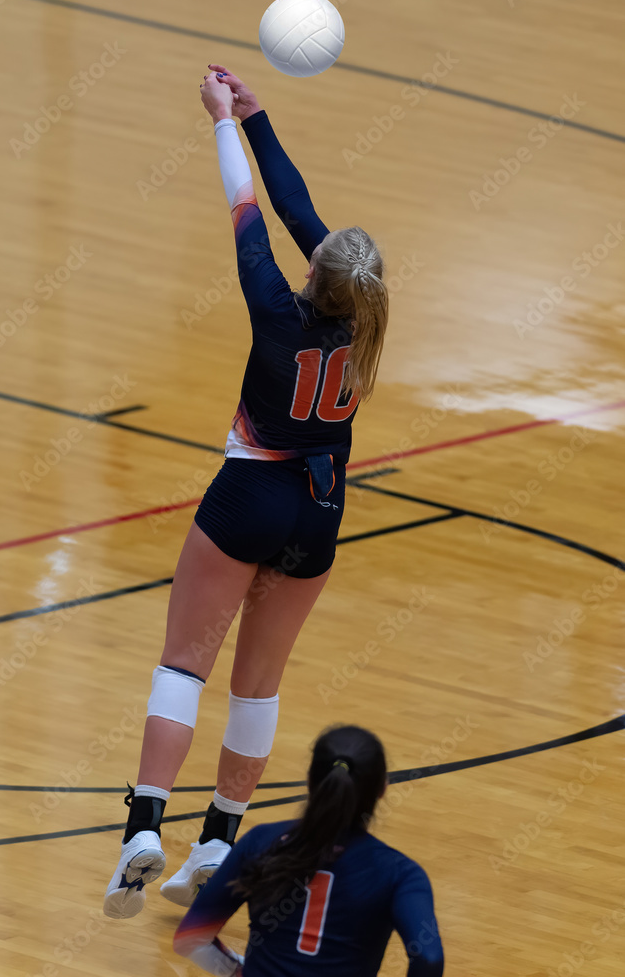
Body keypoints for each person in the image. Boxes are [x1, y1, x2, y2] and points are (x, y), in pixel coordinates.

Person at [103, 65, 389, 920]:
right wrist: (256, 120)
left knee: (182, 665)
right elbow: (298, 214)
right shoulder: (365, 319)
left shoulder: (273, 305)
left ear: (313, 272)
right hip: (320, 510)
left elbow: (251, 208)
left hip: (249, 497)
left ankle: (144, 828)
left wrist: (223, 122)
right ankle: (220, 839)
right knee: (256, 686)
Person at [174, 725, 444, 976]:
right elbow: (429, 958)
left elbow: (191, 937)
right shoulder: (399, 873)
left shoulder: (261, 841)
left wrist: (240, 972)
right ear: (382, 789)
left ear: (310, 780)